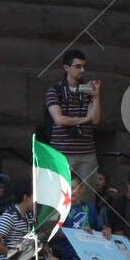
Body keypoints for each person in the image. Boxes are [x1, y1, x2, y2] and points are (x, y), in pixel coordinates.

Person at [43, 49, 101, 187]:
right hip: (61, 153)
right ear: (66, 68)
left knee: (87, 197)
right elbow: (59, 119)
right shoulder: (55, 91)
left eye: (83, 66)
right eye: (78, 66)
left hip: (87, 154)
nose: (82, 70)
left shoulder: (87, 90)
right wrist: (85, 119)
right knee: (60, 197)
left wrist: (96, 97)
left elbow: (96, 120)